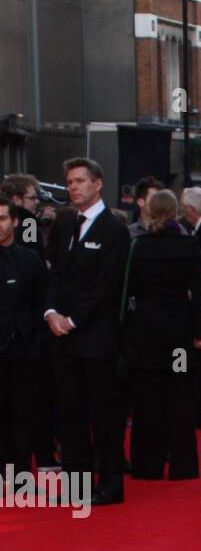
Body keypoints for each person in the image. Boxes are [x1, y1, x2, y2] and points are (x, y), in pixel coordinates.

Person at [43, 157, 131, 505]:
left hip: (97, 339)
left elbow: (107, 286)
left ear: (98, 183)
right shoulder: (65, 226)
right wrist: (51, 313)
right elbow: (53, 273)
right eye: (69, 182)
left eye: (79, 180)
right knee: (70, 414)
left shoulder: (114, 230)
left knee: (105, 416)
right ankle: (76, 484)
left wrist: (73, 320)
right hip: (63, 340)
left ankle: (109, 484)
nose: (73, 187)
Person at [122, 189, 201, 480]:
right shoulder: (188, 245)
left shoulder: (137, 246)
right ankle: (183, 465)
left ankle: (147, 465)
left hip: (144, 332)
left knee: (146, 399)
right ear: (174, 212)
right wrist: (199, 332)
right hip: (178, 334)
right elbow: (198, 294)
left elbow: (127, 292)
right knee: (179, 396)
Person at [0, 194, 46, 478]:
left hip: (24, 350)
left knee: (23, 413)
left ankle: (18, 474)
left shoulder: (30, 260)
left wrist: (36, 342)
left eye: (3, 218)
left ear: (15, 222)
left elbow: (41, 304)